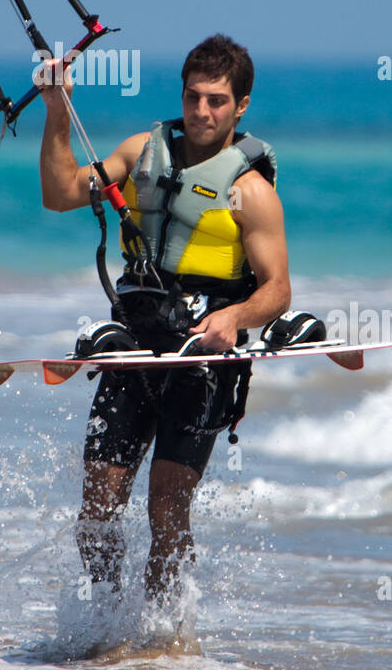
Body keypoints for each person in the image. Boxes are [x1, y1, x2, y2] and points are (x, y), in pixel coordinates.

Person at [39, 34, 291, 604]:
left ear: (241, 105)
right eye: (193, 96)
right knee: (99, 504)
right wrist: (58, 109)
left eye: (217, 101)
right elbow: (58, 193)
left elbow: (277, 290)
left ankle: (162, 640)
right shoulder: (139, 154)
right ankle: (104, 623)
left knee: (167, 508)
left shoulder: (250, 192)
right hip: (134, 350)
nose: (202, 111)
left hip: (203, 361)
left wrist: (235, 318)